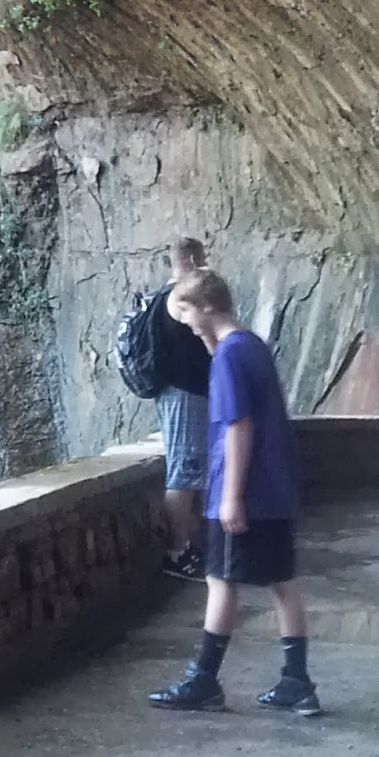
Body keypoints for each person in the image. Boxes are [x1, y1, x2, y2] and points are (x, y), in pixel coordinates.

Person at [148, 265, 321, 716]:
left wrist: (229, 496)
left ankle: (204, 681)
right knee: (283, 582)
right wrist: (209, 343)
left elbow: (238, 425)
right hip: (276, 491)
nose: (183, 321)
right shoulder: (250, 346)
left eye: (185, 311)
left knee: (220, 580)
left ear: (207, 307)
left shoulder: (229, 357)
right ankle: (296, 681)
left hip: (245, 492)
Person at [152, 235, 213, 583]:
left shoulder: (169, 296)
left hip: (186, 394)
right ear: (191, 260)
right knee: (183, 472)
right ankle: (177, 551)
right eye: (201, 259)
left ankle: (192, 545)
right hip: (183, 394)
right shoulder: (178, 298)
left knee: (192, 472)